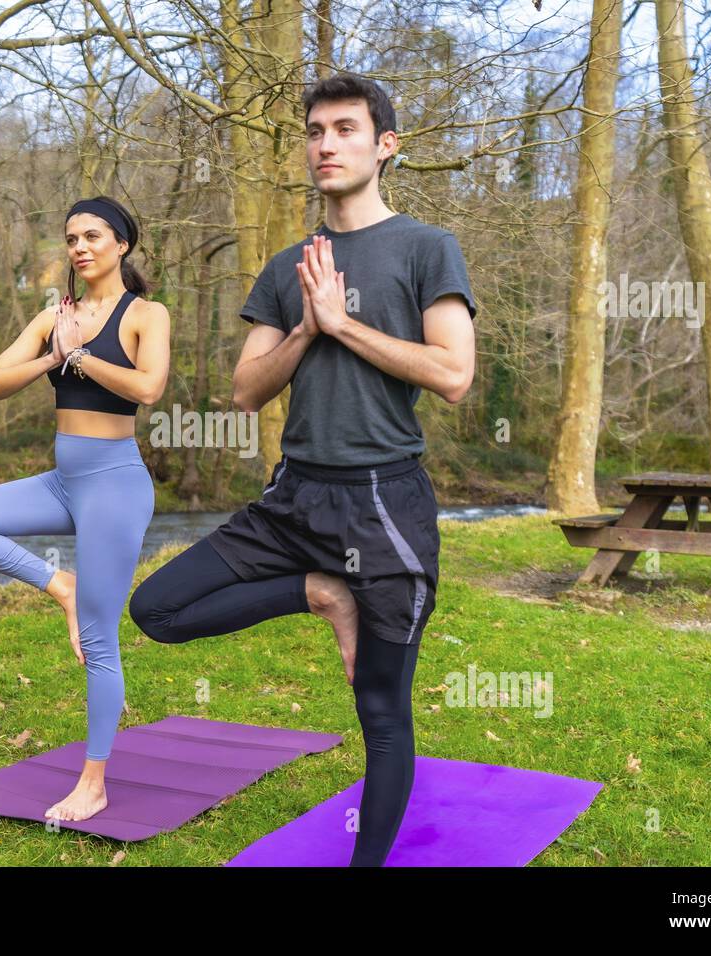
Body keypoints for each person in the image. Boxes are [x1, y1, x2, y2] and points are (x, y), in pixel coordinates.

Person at [128, 73, 477, 866]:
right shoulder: (290, 265)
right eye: (316, 131)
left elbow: (454, 376)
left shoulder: (427, 248)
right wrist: (307, 331)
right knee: (157, 610)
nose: (326, 144)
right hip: (292, 499)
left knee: (381, 713)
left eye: (347, 129)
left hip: (383, 503)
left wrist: (344, 324)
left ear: (385, 146)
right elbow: (246, 392)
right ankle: (322, 593)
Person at [0, 196, 170, 822]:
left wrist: (84, 355)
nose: (80, 247)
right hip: (64, 481)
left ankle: (94, 781)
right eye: (70, 239)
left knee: (98, 640)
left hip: (115, 486)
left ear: (122, 244)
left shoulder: (146, 314)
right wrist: (53, 356)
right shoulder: (52, 316)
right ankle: (60, 582)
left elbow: (148, 387)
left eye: (93, 235)